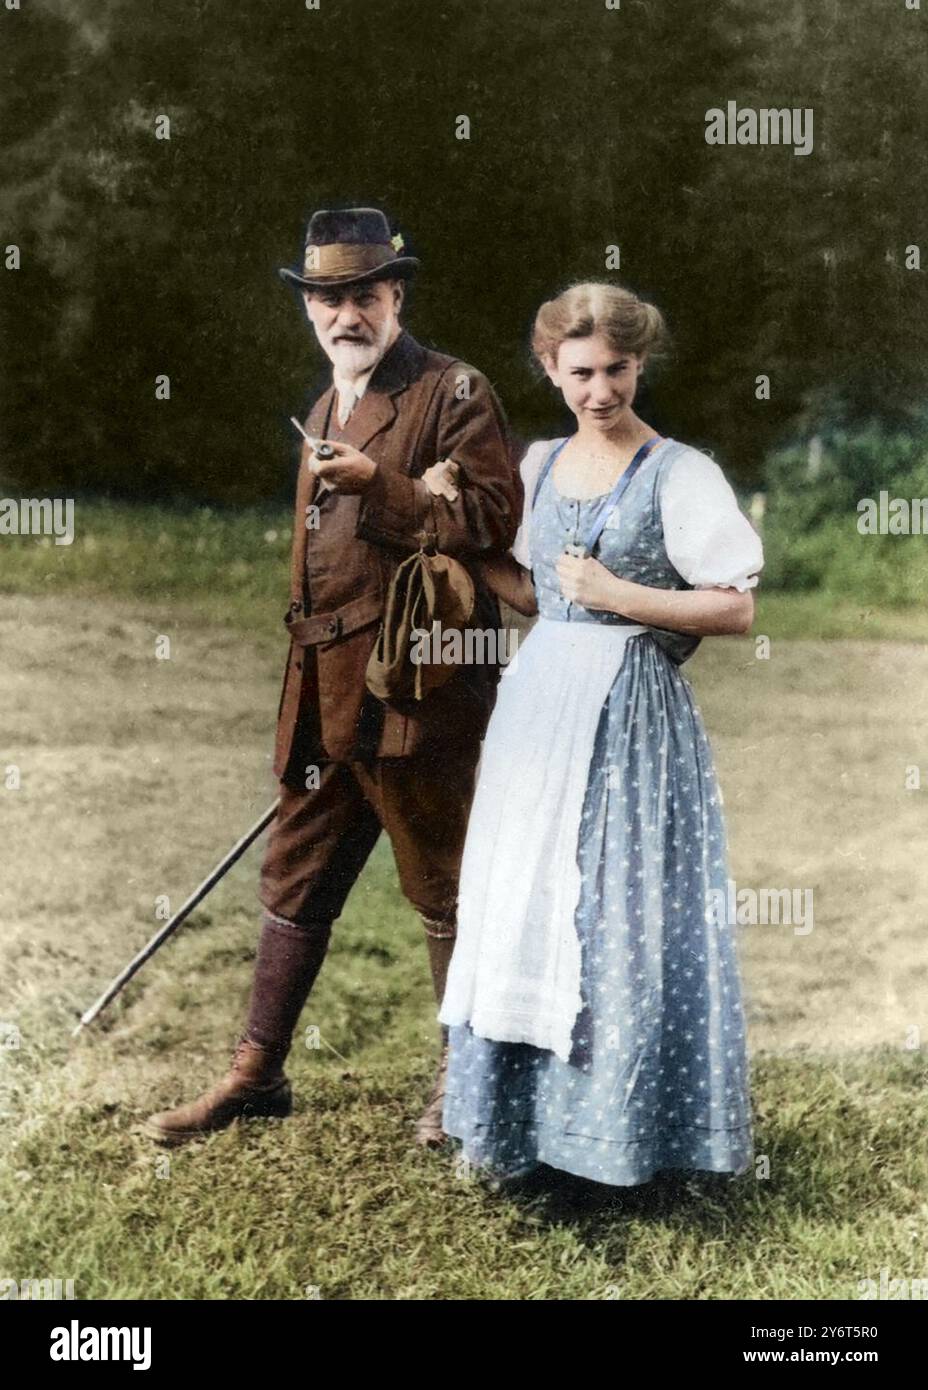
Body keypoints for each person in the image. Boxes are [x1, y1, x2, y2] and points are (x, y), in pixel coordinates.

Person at [146, 207, 520, 1148]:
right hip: (320, 692)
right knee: (294, 873)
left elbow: (492, 518)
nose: (344, 314)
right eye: (326, 297)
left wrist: (384, 489)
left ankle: (462, 1084)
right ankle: (255, 1074)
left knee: (443, 881)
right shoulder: (323, 405)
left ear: (396, 295)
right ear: (309, 308)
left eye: (363, 294)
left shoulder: (452, 390)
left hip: (415, 685)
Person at [438, 282, 764, 1187]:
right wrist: (456, 543)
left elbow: (734, 608)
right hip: (541, 703)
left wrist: (621, 596)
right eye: (580, 372)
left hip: (631, 712)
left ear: (639, 364)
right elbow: (542, 594)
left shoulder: (681, 471)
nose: (600, 391)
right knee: (524, 901)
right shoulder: (536, 464)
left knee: (611, 909)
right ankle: (521, 1133)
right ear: (550, 370)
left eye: (617, 370)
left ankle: (622, 1142)